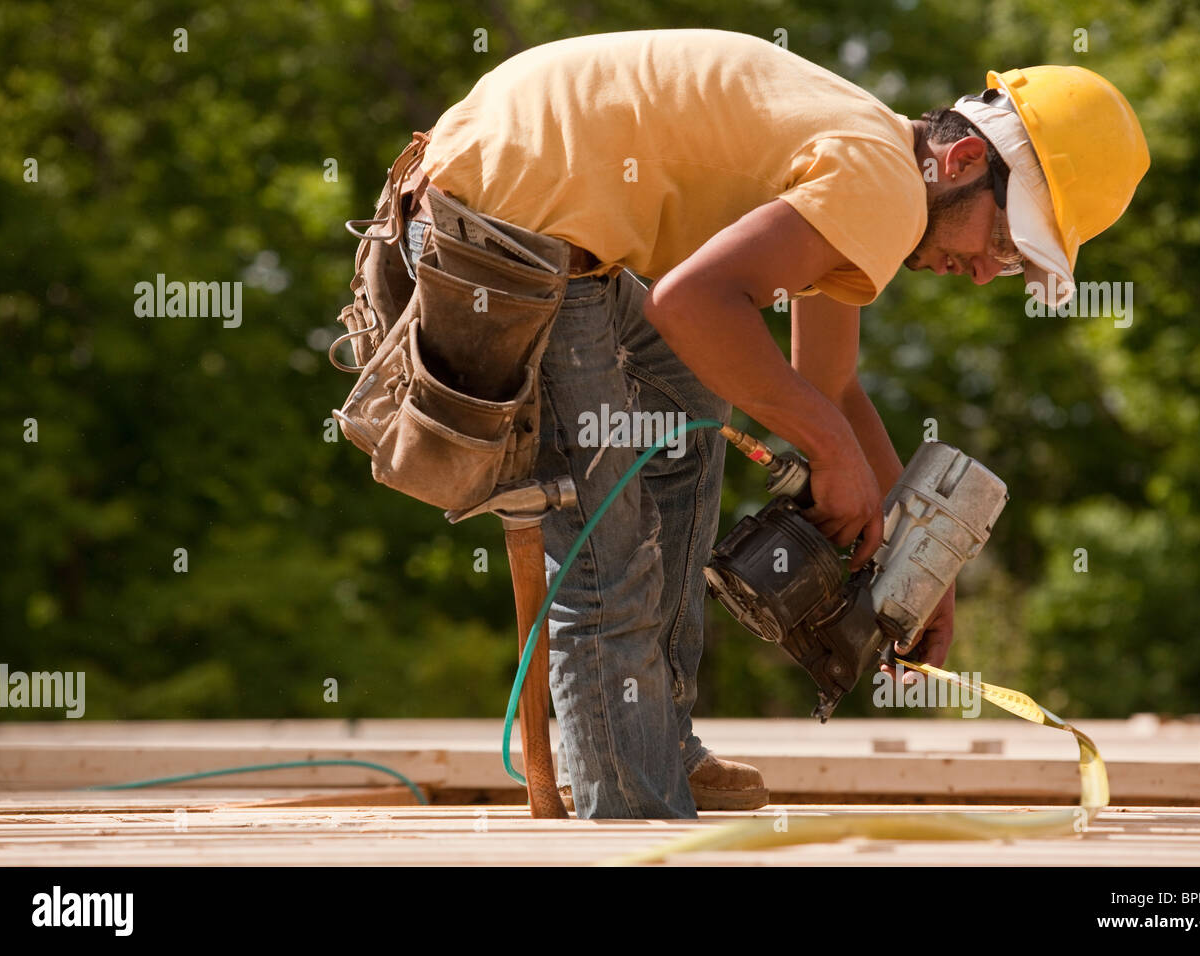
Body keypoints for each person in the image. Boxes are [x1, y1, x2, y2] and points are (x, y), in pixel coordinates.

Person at [415, 28, 1149, 818]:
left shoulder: (866, 159)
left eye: (1010, 265)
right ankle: (632, 807)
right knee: (608, 554)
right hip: (503, 226)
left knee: (689, 388)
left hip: (518, 193)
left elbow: (825, 382)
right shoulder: (881, 183)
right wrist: (832, 452)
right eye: (1004, 241)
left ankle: (652, 730)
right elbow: (689, 301)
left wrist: (917, 563)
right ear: (965, 160)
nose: (984, 271)